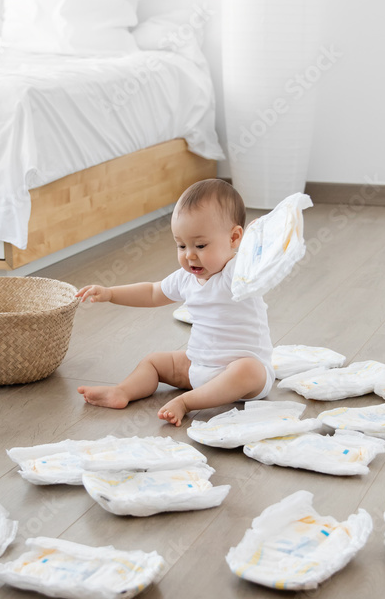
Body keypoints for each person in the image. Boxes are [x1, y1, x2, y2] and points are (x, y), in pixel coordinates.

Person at [76, 178, 275, 426]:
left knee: (250, 370)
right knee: (154, 362)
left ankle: (187, 402)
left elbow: (261, 258)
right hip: (197, 367)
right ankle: (123, 391)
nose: (189, 255)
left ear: (234, 238)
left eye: (200, 245)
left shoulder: (237, 273)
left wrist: (259, 239)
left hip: (241, 376)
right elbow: (151, 292)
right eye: (181, 245)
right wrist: (110, 293)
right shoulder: (186, 278)